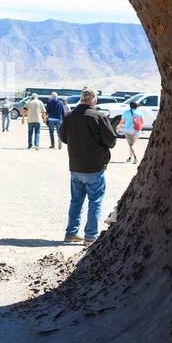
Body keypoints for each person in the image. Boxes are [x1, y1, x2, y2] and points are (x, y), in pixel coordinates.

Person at [59, 87, 117, 245]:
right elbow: (111, 141)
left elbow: (63, 137)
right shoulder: (99, 116)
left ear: (81, 99)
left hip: (76, 167)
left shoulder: (70, 116)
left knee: (76, 201)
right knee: (95, 201)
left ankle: (70, 234)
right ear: (94, 99)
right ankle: (90, 237)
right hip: (94, 167)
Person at [122, 99, 142, 164]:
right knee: (132, 145)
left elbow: (122, 122)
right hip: (137, 130)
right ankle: (130, 158)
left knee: (131, 145)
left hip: (128, 130)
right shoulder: (140, 112)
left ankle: (135, 158)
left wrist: (118, 127)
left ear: (130, 106)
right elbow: (142, 122)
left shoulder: (126, 112)